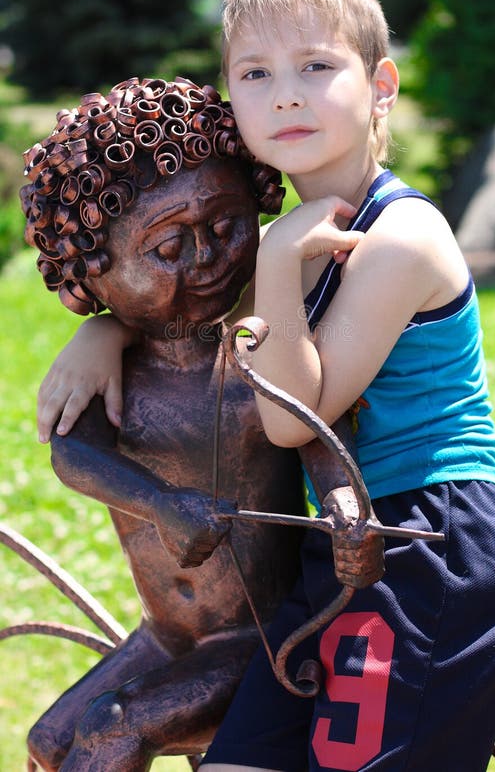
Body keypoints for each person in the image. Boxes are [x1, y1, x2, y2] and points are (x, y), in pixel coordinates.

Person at [37, 0, 495, 771]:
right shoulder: (276, 244)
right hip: (328, 551)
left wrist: (277, 263)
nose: (286, 94)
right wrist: (104, 332)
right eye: (256, 74)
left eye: (316, 66)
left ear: (381, 85)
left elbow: (286, 412)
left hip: (424, 540)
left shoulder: (399, 236)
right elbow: (183, 314)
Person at [20, 76, 307, 771]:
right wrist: (158, 502)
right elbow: (72, 455)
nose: (207, 259)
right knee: (49, 744)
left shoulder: (266, 353)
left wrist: (350, 513)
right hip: (169, 633)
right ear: (93, 272)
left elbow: (325, 440)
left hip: (261, 638)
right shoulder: (113, 368)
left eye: (226, 226)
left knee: (115, 730)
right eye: (167, 249)